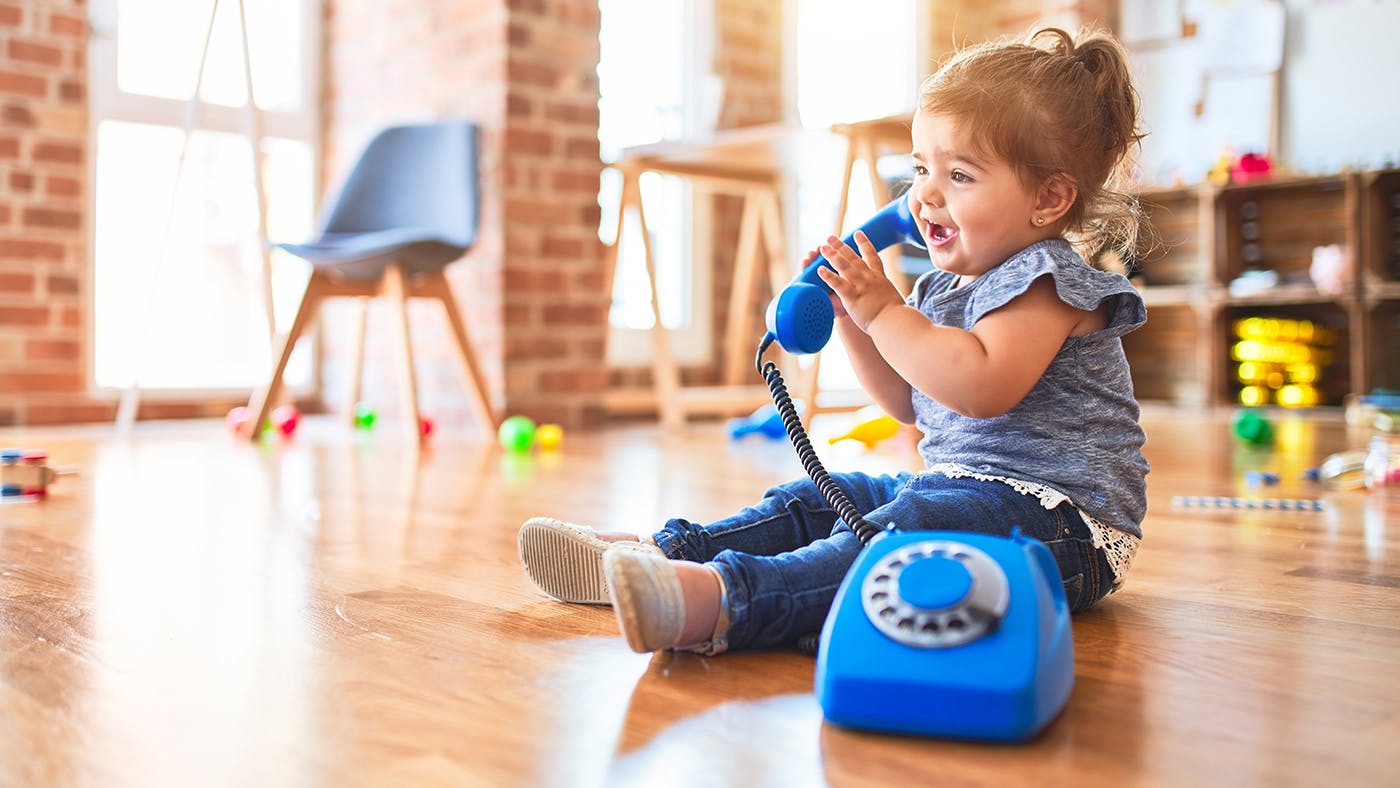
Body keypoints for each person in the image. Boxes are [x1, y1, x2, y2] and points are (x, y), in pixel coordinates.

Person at [518, 26, 1150, 655]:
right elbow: (910, 403)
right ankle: (659, 553)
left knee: (898, 535)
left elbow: (979, 387)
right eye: (921, 167)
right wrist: (851, 316)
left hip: (1067, 531)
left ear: (1050, 198)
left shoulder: (1048, 283)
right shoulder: (942, 289)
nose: (924, 195)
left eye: (959, 175)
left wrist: (882, 312)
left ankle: (720, 601)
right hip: (960, 493)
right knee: (824, 497)